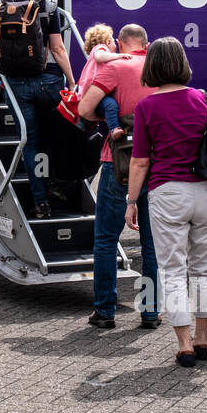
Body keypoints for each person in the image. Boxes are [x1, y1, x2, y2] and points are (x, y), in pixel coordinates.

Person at [124, 37, 207, 367]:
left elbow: (140, 161)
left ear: (152, 66)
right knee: (203, 269)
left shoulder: (146, 107)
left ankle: (185, 345)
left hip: (167, 193)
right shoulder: (204, 99)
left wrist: (131, 201)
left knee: (172, 271)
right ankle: (203, 340)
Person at [0, 0, 75, 219]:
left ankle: (40, 202)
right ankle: (58, 182)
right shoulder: (48, 5)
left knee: (28, 141)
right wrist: (73, 81)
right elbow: (57, 48)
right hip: (48, 82)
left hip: (15, 84)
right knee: (60, 133)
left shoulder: (0, 3)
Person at [77, 24, 160, 330]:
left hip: (120, 162)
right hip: (158, 163)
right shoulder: (158, 67)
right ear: (146, 43)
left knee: (106, 240)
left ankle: (105, 311)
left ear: (121, 44)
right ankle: (150, 313)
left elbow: (85, 108)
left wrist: (110, 117)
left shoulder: (117, 67)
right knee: (152, 243)